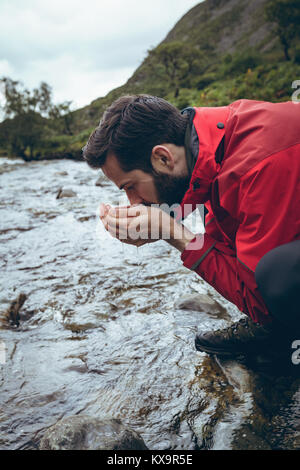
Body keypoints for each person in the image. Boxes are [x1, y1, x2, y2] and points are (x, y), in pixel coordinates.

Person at [82, 94, 300, 357]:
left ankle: (285, 339)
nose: (133, 201)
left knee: (278, 276)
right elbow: (226, 250)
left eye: (130, 186)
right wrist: (163, 223)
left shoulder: (256, 165)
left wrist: (173, 233)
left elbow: (261, 304)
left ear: (163, 158)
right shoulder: (219, 143)